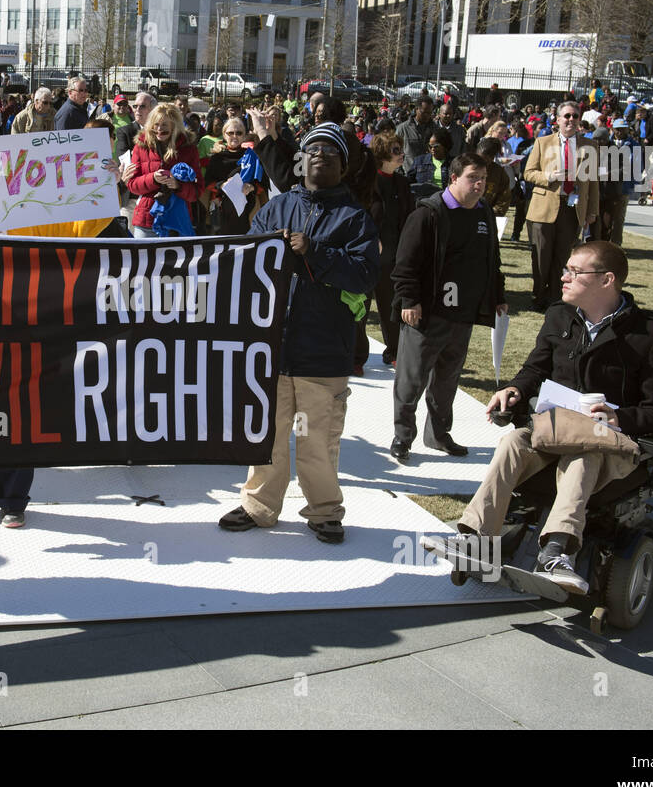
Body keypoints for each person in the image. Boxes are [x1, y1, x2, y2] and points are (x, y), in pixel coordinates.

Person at [450, 241, 653, 593]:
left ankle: (557, 551)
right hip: (554, 430)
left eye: (575, 271)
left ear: (607, 280)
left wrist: (620, 418)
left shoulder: (649, 334)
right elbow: (535, 367)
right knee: (513, 441)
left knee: (586, 452)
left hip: (609, 445)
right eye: (566, 269)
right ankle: (476, 540)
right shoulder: (560, 316)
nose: (563, 276)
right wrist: (515, 390)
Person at [217, 122, 379, 544]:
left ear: (343, 166)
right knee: (266, 435)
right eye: (313, 149)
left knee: (315, 440)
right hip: (271, 348)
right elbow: (245, 259)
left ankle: (324, 511)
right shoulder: (275, 208)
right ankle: (258, 505)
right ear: (299, 160)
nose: (321, 154)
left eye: (331, 150)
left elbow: (363, 276)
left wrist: (316, 251)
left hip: (322, 351)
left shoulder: (355, 218)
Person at [0, 161, 114, 527]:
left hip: (28, 344)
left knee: (19, 421)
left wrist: (105, 183)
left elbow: (86, 228)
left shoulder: (36, 226)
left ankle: (12, 500)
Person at [390, 153, 507, 462]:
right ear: (454, 178)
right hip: (427, 315)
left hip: (462, 316)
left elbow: (491, 260)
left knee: (447, 382)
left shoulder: (484, 213)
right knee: (411, 381)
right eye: (473, 177)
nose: (480, 184)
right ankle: (402, 437)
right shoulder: (428, 214)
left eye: (483, 178)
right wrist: (409, 300)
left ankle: (439, 435)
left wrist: (498, 294)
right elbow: (405, 263)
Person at [522, 101, 599, 311]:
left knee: (563, 256)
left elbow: (593, 183)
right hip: (543, 209)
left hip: (572, 209)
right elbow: (528, 173)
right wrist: (548, 176)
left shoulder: (590, 146)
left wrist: (592, 211)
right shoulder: (543, 142)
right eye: (567, 116)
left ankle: (556, 298)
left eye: (575, 116)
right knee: (541, 255)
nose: (571, 120)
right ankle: (539, 295)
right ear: (557, 119)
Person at [367, 130, 412, 367]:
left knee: (391, 307)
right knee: (359, 310)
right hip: (366, 257)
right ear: (382, 154)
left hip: (393, 256)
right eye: (395, 150)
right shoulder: (367, 182)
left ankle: (394, 351)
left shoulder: (402, 183)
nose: (401, 154)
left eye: (401, 149)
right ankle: (355, 356)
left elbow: (409, 218)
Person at [128, 103, 202, 239]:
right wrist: (153, 179)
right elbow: (132, 186)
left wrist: (178, 185)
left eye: (164, 126)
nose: (159, 130)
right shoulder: (141, 146)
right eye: (155, 125)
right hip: (147, 219)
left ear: (175, 126)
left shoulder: (189, 148)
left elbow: (197, 191)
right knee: (144, 260)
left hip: (177, 221)